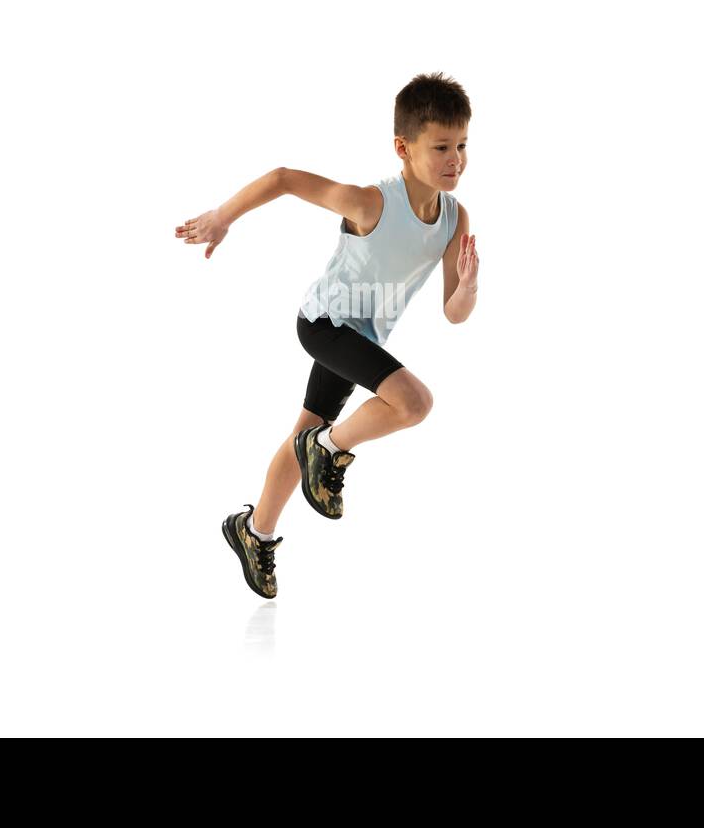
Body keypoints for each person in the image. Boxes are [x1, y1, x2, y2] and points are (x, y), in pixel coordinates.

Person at [175, 71, 480, 599]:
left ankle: (253, 532)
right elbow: (285, 177)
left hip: (363, 338)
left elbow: (454, 313)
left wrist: (469, 287)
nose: (455, 159)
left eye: (462, 145)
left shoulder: (455, 219)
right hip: (325, 323)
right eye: (441, 147)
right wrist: (223, 216)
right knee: (413, 402)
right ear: (402, 148)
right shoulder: (371, 204)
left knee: (306, 429)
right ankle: (328, 448)